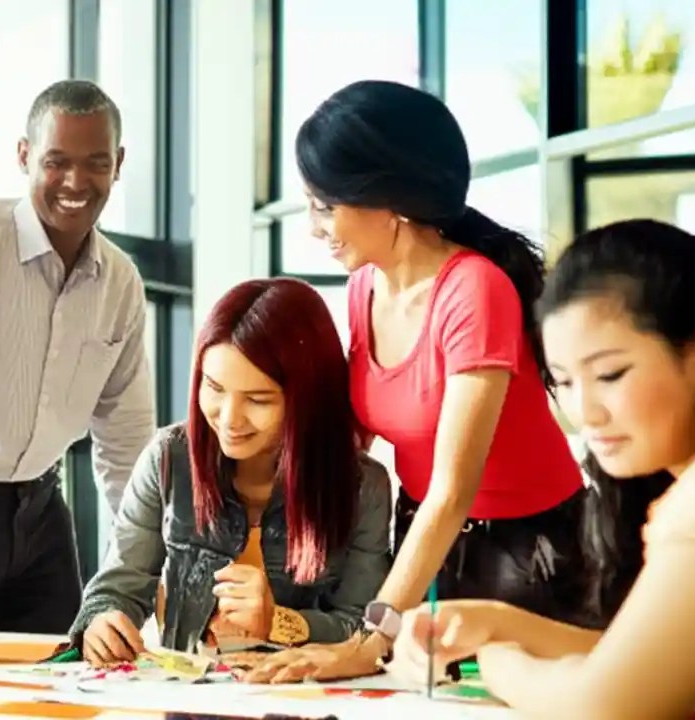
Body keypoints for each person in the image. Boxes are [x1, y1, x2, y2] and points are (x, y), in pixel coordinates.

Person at [246, 80, 654, 683]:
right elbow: (350, 441)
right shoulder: (365, 287)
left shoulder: (473, 290)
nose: (313, 227)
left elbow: (452, 490)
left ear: (389, 198)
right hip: (424, 534)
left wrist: (368, 639)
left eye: (325, 205)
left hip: (532, 551)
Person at [390, 219, 695, 718]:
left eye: (610, 374)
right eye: (564, 382)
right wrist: (496, 622)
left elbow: (607, 705)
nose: (584, 412)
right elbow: (636, 659)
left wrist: (498, 660)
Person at [0, 78, 156, 634]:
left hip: (43, 508)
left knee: (60, 684)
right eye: (56, 161)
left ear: (119, 163)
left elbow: (127, 439)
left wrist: (142, 568)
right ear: (24, 156)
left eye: (96, 163)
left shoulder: (121, 284)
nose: (76, 182)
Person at [70, 279, 392, 665]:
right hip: (188, 694)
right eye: (214, 387)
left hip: (301, 698)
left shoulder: (362, 488)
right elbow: (118, 587)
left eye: (258, 399)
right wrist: (101, 622)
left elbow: (365, 630)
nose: (229, 418)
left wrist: (279, 622)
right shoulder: (168, 459)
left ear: (309, 399)